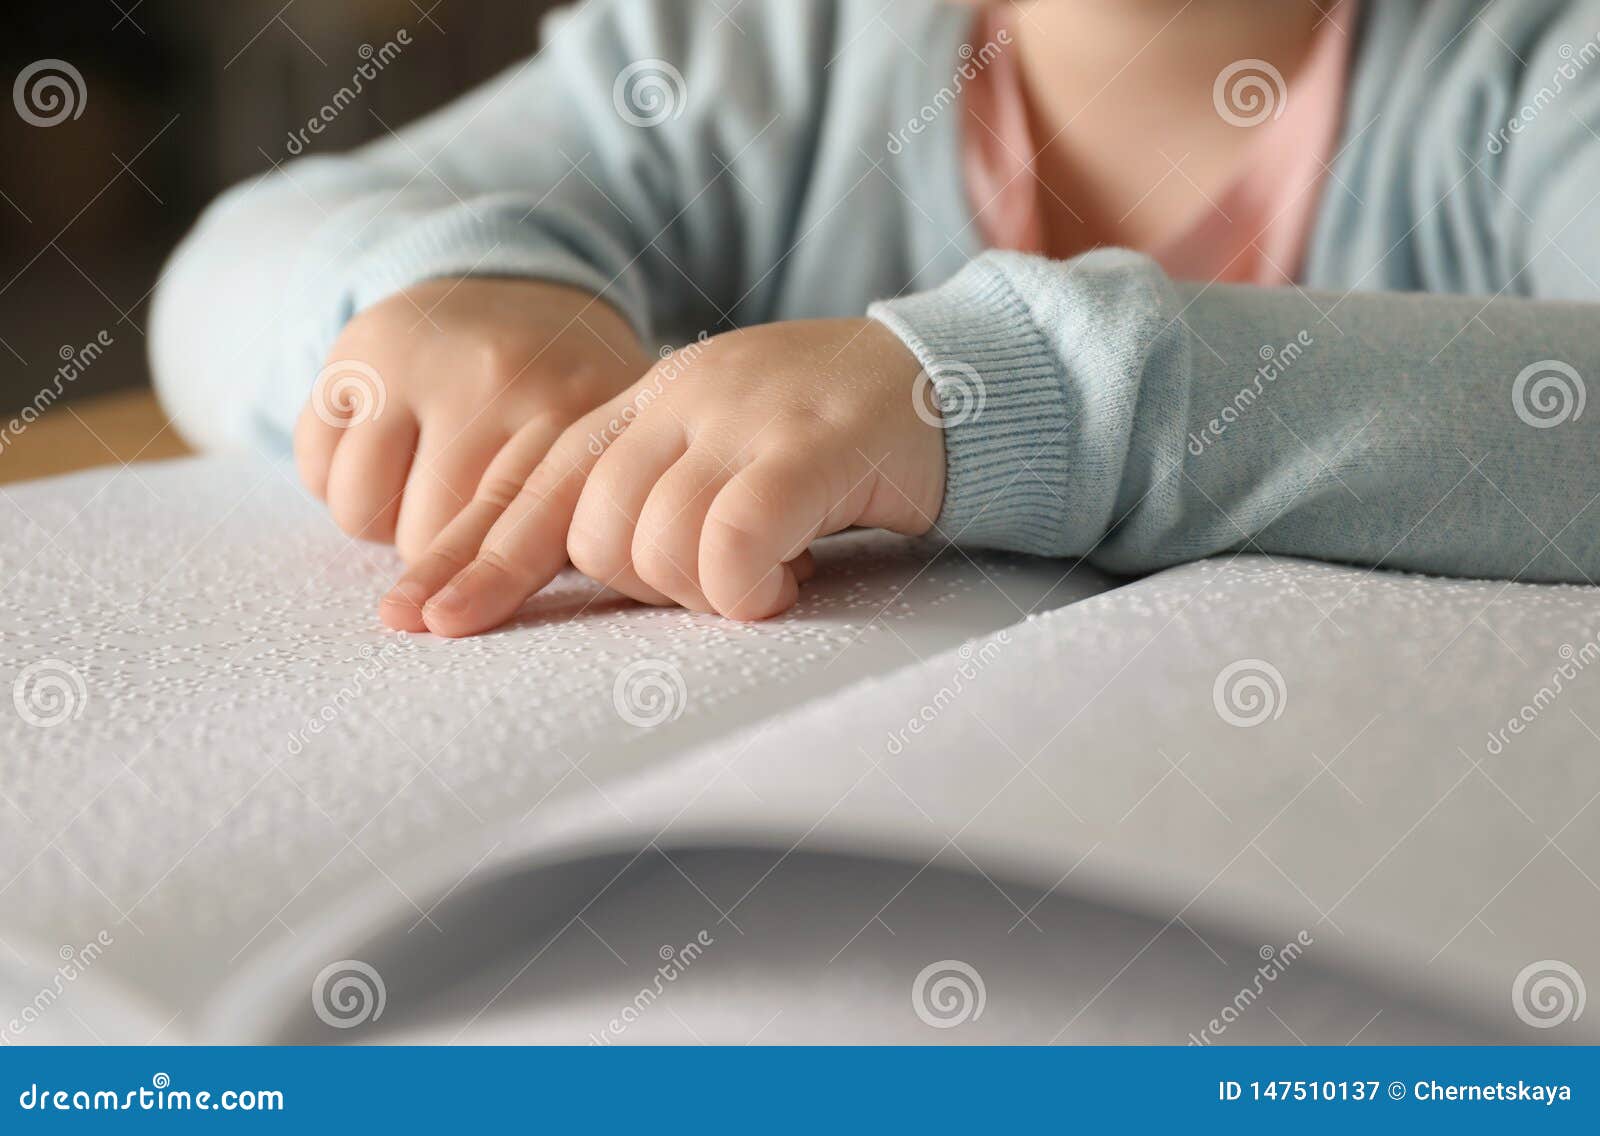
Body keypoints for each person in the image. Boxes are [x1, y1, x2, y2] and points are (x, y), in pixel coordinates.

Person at [151, 0, 1600, 635]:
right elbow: (220, 280)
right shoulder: (734, 59)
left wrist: (1012, 394)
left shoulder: (1545, 66)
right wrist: (452, 295)